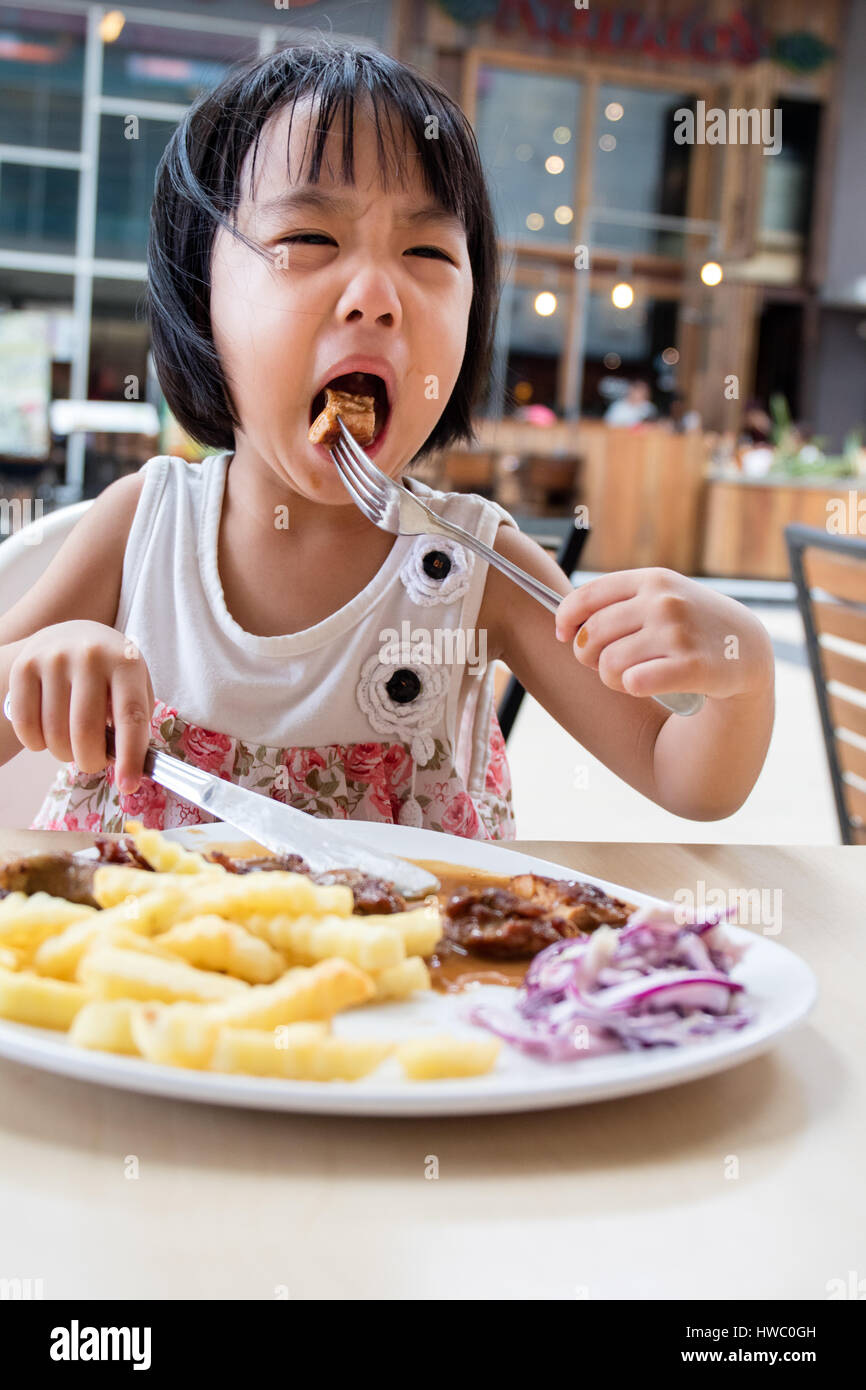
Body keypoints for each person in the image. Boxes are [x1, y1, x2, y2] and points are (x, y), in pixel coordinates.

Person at [0, 42, 774, 839]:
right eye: (308, 239)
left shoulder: (473, 565)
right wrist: (40, 664)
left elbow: (685, 780)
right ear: (201, 298)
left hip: (409, 960)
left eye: (427, 252)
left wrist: (739, 677)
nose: (375, 296)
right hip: (143, 953)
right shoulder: (144, 527)